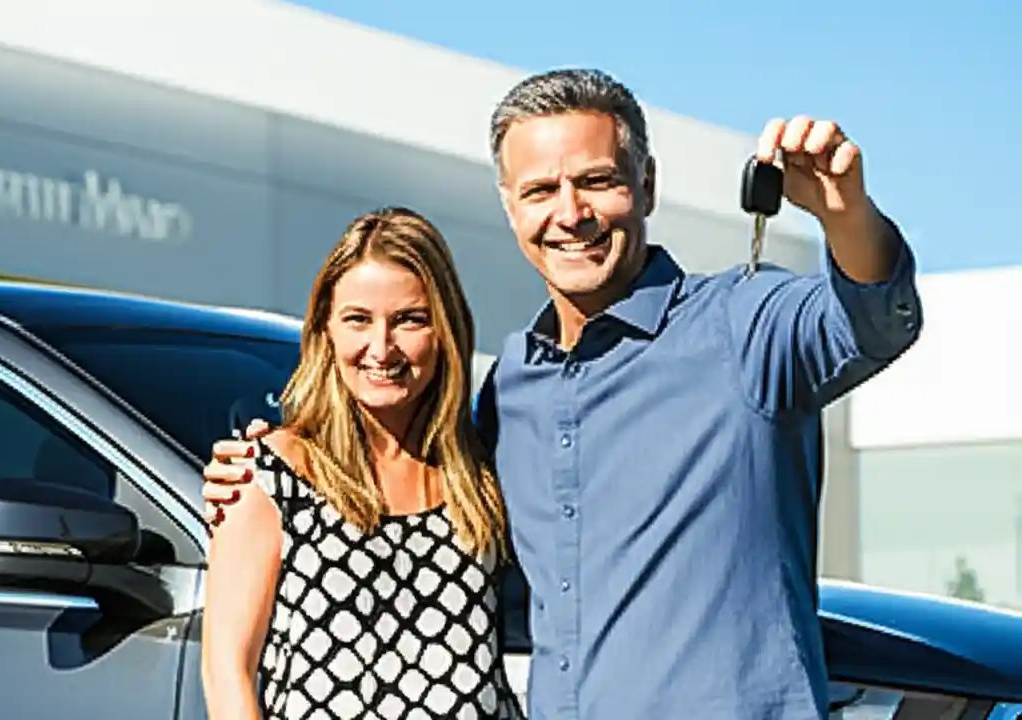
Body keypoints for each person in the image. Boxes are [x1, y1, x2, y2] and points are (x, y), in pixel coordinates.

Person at [203, 69, 923, 719]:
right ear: (510, 207)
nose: (570, 213)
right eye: (541, 190)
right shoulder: (512, 383)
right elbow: (400, 471)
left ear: (646, 185)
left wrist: (843, 213)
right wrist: (265, 464)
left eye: (598, 182)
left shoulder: (744, 324)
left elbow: (872, 319)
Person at [200, 207, 524, 719]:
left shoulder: (484, 475)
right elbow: (227, 674)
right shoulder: (269, 475)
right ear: (326, 329)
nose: (381, 347)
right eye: (358, 320)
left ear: (446, 330)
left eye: (410, 320)